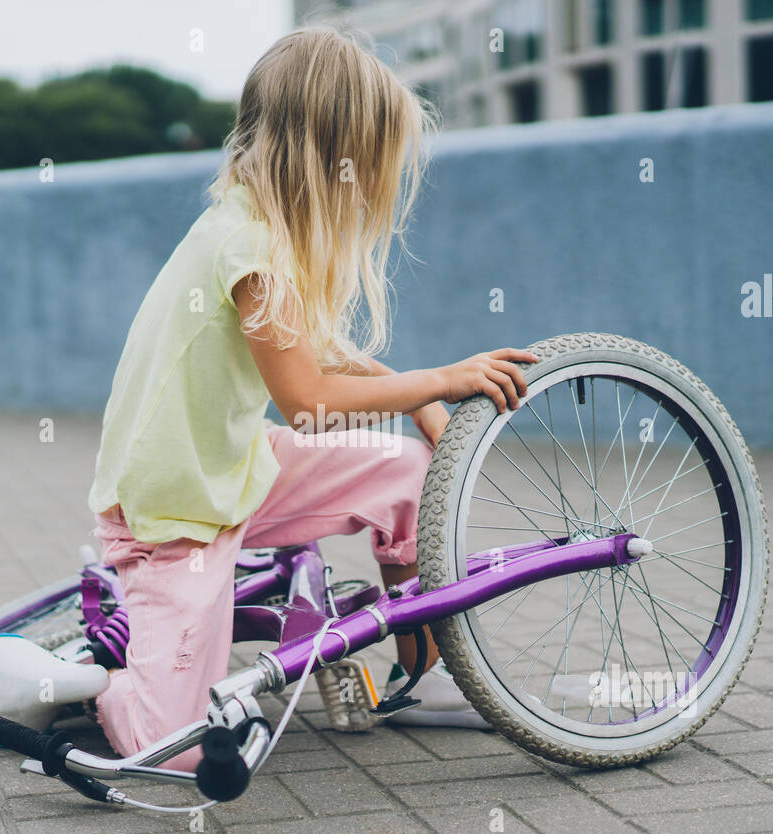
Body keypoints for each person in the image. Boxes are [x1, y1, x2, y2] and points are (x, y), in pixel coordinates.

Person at [88, 26, 537, 769]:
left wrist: (416, 400)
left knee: (403, 472)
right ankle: (95, 684)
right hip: (173, 511)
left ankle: (420, 655)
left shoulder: (253, 227)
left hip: (239, 466)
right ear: (331, 157)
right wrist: (444, 379)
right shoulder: (246, 246)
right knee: (172, 754)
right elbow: (306, 400)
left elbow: (320, 356)